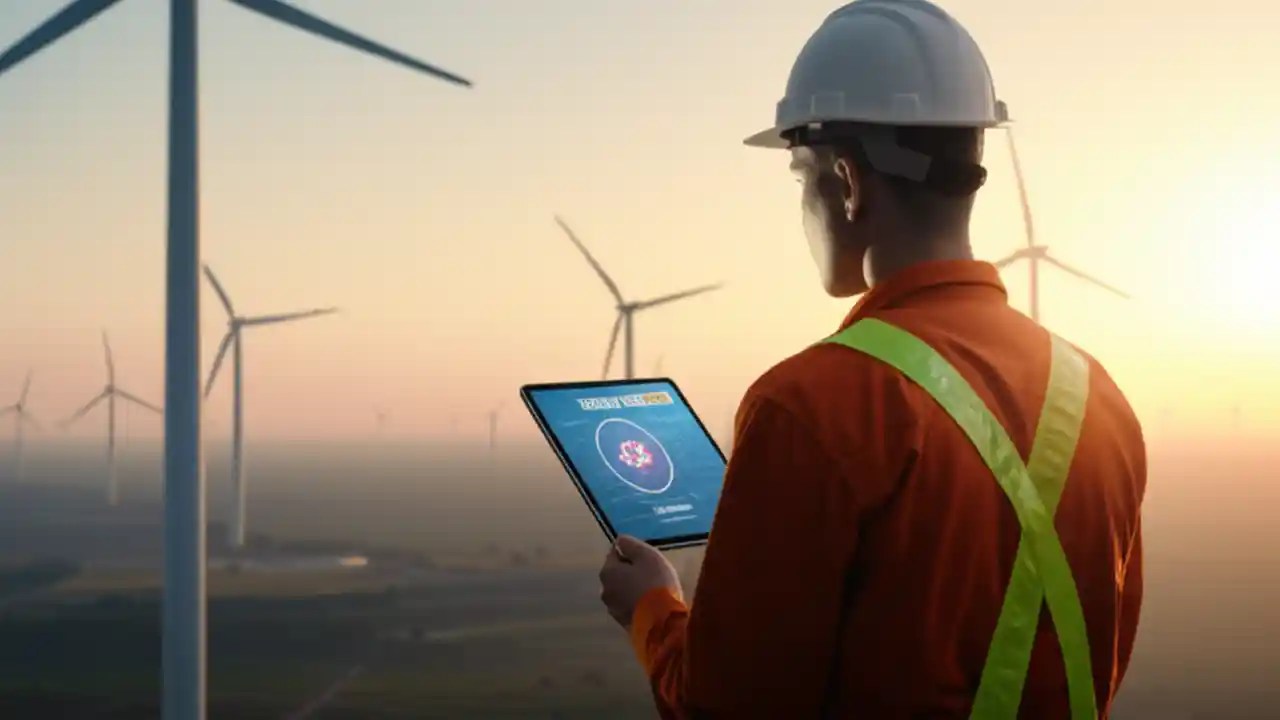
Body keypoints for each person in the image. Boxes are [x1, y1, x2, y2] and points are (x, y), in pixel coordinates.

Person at [596, 1, 1146, 718]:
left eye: (801, 178)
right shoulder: (1096, 395)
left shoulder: (811, 406)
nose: (803, 205)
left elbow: (723, 705)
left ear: (848, 182)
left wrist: (652, 610)